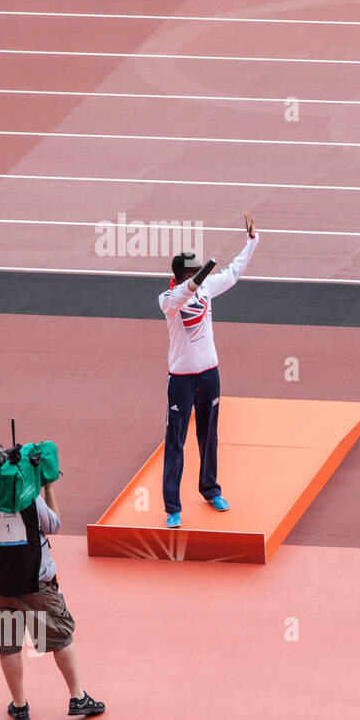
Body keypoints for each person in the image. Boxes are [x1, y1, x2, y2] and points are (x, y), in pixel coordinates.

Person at [0, 444, 105, 720]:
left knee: (8, 646)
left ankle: (20, 705)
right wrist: (44, 486)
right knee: (60, 638)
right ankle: (77, 697)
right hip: (37, 584)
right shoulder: (29, 498)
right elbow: (54, 525)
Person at [159, 213, 258, 528]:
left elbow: (234, 272)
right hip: (181, 380)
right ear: (186, 273)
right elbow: (185, 292)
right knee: (176, 440)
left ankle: (211, 489)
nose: (201, 272)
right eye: (196, 269)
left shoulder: (207, 289)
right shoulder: (168, 299)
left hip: (209, 374)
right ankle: (172, 507)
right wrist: (198, 278)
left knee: (209, 435)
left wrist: (252, 241)